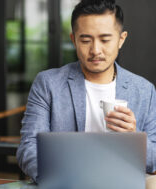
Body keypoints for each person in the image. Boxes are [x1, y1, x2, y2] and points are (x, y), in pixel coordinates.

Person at [17, 0, 156, 182]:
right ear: (73, 40)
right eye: (85, 40)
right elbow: (28, 148)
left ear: (121, 39)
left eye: (105, 40)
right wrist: (59, 179)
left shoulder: (144, 90)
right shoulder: (48, 84)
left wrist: (134, 137)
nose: (95, 50)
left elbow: (154, 160)